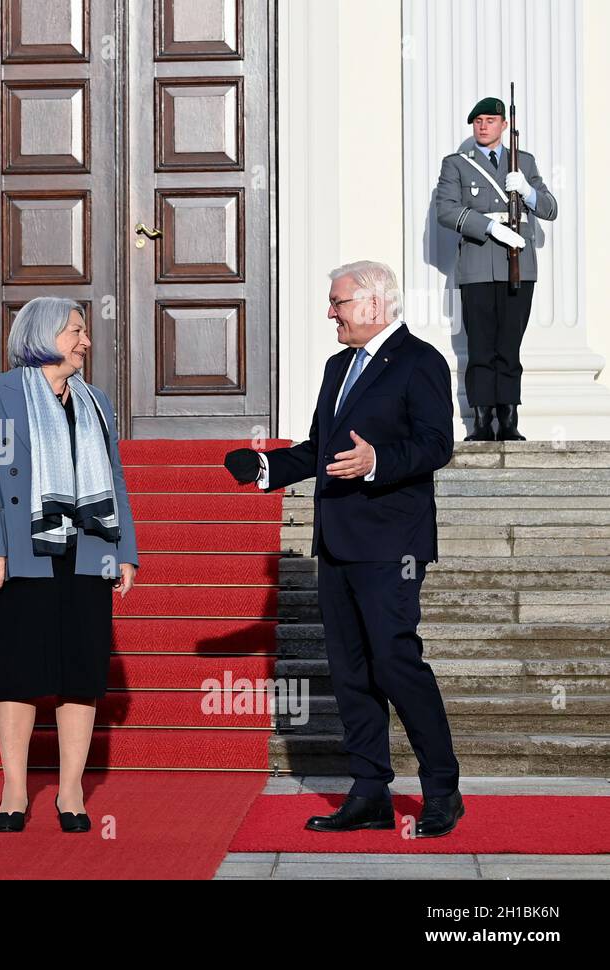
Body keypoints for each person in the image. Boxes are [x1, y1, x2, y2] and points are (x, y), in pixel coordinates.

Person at [225, 261, 464, 838]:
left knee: (396, 663)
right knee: (350, 672)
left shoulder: (420, 360)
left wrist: (378, 461)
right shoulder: (338, 367)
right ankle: (369, 794)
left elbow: (436, 445)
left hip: (391, 545)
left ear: (373, 304)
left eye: (337, 302)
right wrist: (264, 467)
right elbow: (321, 449)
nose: (329, 312)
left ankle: (442, 790)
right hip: (335, 543)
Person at [0, 297, 138, 834]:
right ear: (42, 335)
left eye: (83, 331)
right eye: (75, 332)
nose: (85, 341)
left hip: (87, 551)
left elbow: (115, 477)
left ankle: (70, 790)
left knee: (79, 674)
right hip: (19, 555)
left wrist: (124, 550)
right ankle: (15, 786)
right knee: (17, 672)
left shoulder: (97, 401)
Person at [435, 95, 558, 442]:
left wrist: (529, 192)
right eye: (478, 121)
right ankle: (482, 421)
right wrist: (488, 227)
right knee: (481, 347)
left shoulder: (525, 162)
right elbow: (446, 210)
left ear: (504, 125)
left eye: (491, 120)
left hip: (519, 266)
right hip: (477, 267)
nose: (484, 126)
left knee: (509, 346)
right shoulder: (457, 164)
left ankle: (508, 419)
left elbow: (550, 208)